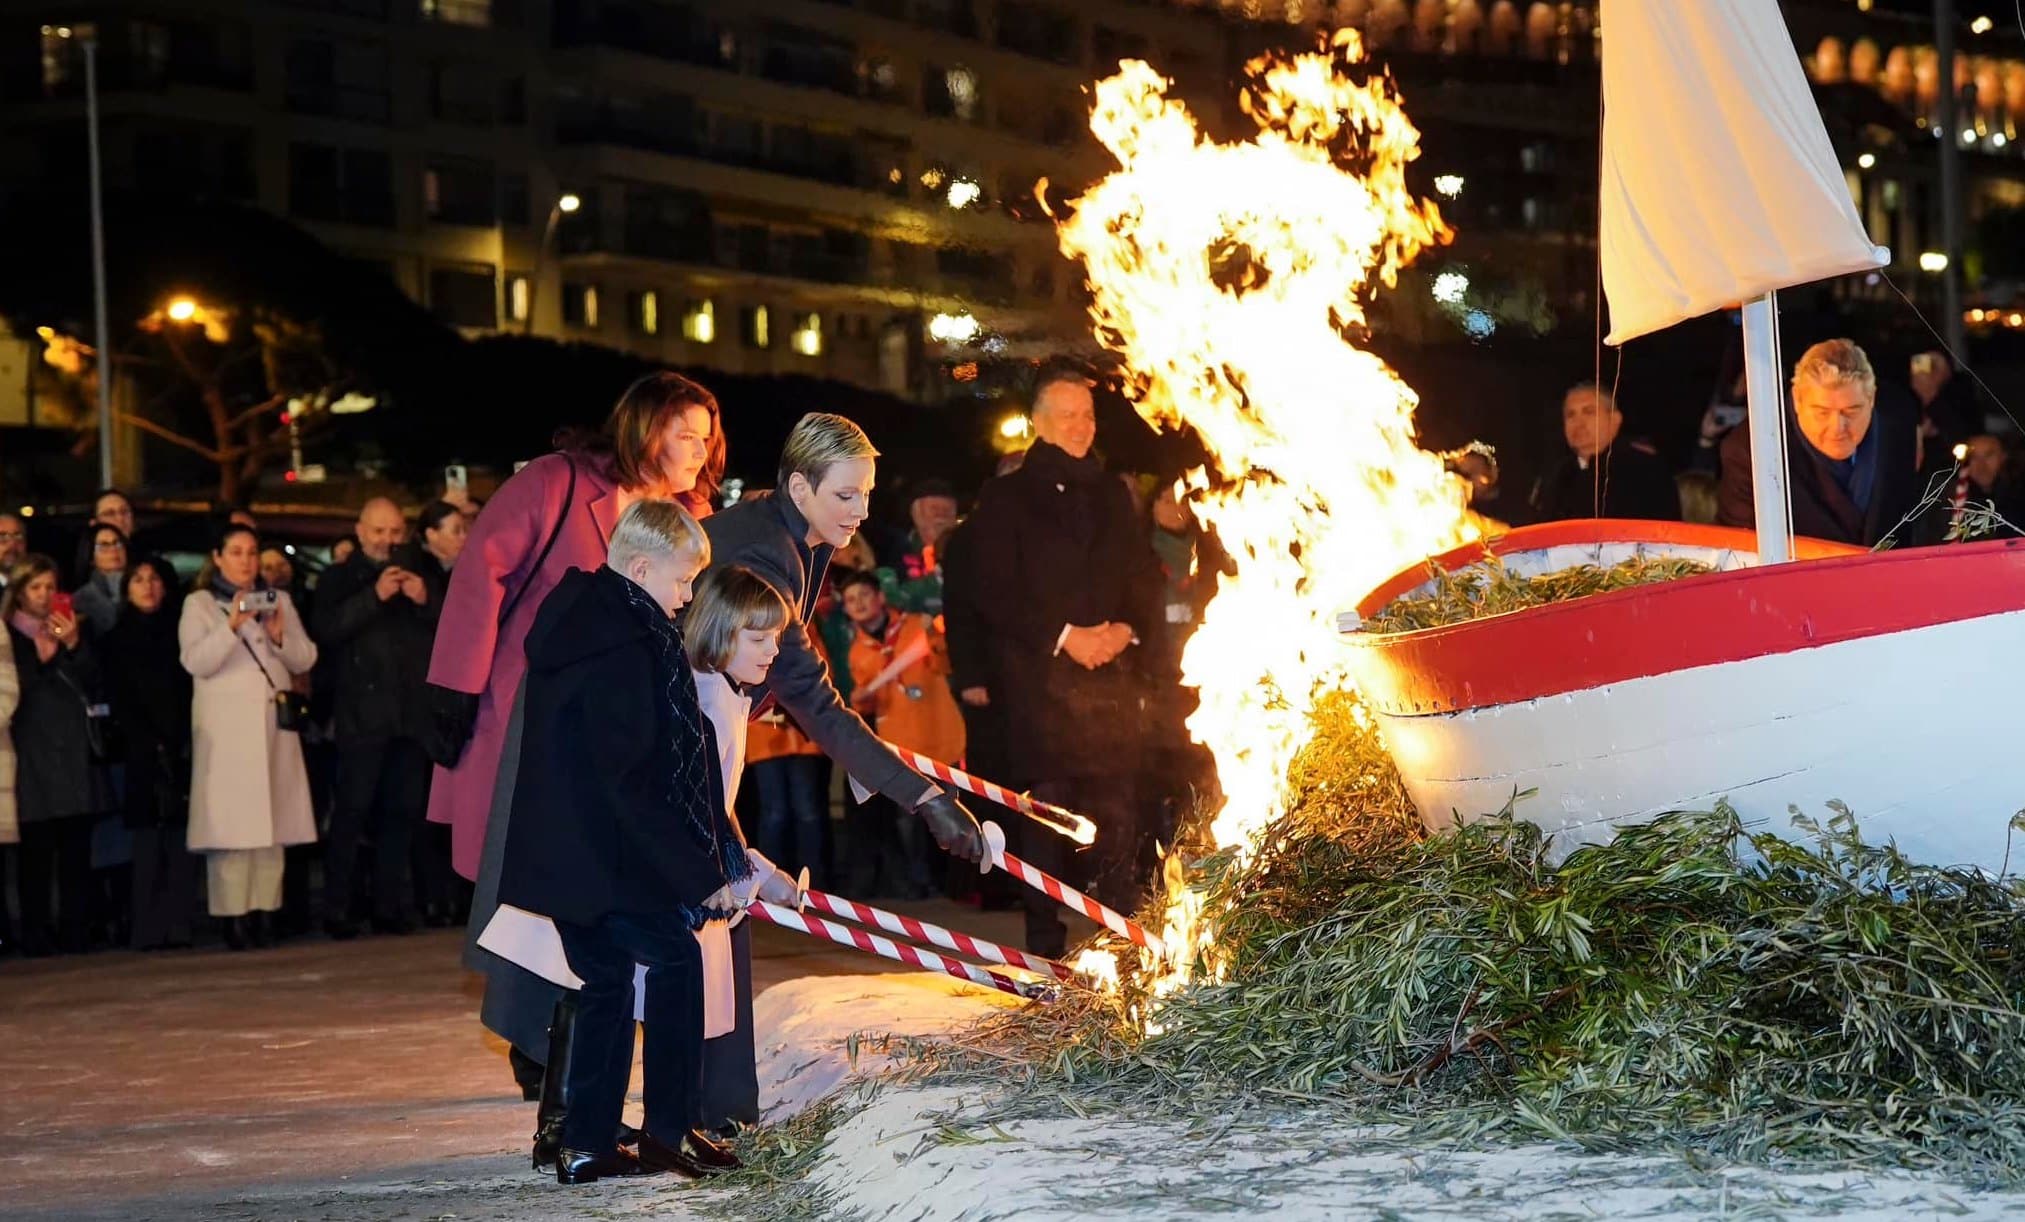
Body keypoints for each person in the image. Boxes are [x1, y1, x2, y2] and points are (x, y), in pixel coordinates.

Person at [424, 370, 724, 1102]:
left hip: (627, 734)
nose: (695, 450)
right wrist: (454, 682)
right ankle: (539, 1038)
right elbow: (483, 570)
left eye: (705, 439)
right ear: (642, 426)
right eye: (682, 433)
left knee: (605, 884)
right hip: (535, 719)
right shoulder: (558, 483)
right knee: (532, 878)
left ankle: (577, 1044)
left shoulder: (685, 516)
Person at [691, 412, 985, 1129]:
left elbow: (807, 683)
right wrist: (922, 795)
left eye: (866, 494)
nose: (859, 512)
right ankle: (708, 1112)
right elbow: (815, 698)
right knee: (703, 919)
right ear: (799, 485)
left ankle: (715, 1109)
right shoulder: (764, 557)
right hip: (686, 731)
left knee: (711, 919)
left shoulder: (793, 530)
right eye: (845, 495)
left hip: (706, 722)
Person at [495, 501, 758, 1184]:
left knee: (608, 982)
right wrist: (700, 872)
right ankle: (667, 1130)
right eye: (680, 582)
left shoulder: (589, 624)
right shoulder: (623, 643)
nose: (686, 597)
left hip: (574, 857)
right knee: (674, 961)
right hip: (602, 857)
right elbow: (632, 776)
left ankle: (587, 1144)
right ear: (640, 568)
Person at [966, 365, 1164, 958]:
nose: (1081, 427)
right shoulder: (1005, 496)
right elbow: (993, 591)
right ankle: (1044, 943)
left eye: (1088, 415)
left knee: (1118, 811)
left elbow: (1141, 573)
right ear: (1039, 423)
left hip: (1111, 680)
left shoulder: (1110, 492)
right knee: (1045, 818)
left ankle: (1123, 938)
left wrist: (1127, 630)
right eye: (1068, 415)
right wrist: (1064, 637)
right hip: (1040, 685)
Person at [181, 523, 318, 951]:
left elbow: (306, 656)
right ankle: (232, 918)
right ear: (218, 558)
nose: (246, 561)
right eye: (236, 552)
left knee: (271, 826)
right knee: (233, 833)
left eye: (252, 552)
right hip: (227, 736)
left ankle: (265, 913)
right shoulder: (200, 603)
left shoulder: (280, 601)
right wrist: (233, 625)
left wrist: (277, 632)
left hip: (272, 729)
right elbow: (195, 661)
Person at [314, 498, 437, 938]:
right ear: (361, 531)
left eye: (394, 532)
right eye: (379, 532)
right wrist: (374, 597)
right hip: (361, 718)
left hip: (408, 717)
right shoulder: (338, 578)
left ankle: (390, 906)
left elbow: (448, 628)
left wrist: (424, 600)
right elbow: (326, 631)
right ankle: (337, 908)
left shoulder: (419, 574)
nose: (387, 541)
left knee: (402, 814)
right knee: (351, 814)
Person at [6, 555, 115, 955]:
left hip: (71, 752)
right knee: (35, 852)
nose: (45, 595)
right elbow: (16, 690)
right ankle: (36, 931)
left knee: (75, 848)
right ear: (19, 594)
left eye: (50, 587)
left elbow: (95, 682)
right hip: (30, 753)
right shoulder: (9, 636)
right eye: (36, 588)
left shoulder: (71, 630)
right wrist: (45, 659)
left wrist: (71, 646)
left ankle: (75, 928)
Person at [1718, 339, 1927, 548]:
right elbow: (1742, 550)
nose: (1837, 427)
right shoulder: (1752, 451)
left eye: (1852, 411)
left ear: (1871, 399)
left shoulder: (1897, 423)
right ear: (1797, 401)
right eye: (1822, 412)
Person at [840, 570, 965, 898]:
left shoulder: (915, 626)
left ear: (880, 597)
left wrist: (935, 639)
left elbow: (946, 663)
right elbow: (867, 702)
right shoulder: (858, 651)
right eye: (851, 600)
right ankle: (920, 881)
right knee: (908, 818)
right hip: (899, 745)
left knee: (951, 808)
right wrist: (862, 698)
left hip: (939, 735)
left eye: (865, 595)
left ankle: (954, 882)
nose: (859, 604)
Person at [102, 556, 196, 951]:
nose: (147, 586)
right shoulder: (114, 640)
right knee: (144, 843)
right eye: (138, 579)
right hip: (139, 751)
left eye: (155, 579)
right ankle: (146, 928)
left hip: (183, 745)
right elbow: (117, 698)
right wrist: (147, 738)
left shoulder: (181, 634)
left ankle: (179, 925)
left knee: (179, 838)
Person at [405, 500, 468, 926]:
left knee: (458, 811)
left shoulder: (466, 574)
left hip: (458, 708)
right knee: (426, 812)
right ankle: (430, 898)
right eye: (454, 529)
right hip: (424, 711)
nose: (463, 537)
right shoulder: (413, 573)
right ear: (429, 535)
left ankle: (458, 899)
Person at [1530, 384, 1679, 522]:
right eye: (1570, 415)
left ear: (1615, 419)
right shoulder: (1556, 477)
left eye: (1589, 412)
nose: (1578, 422)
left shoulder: (1644, 469)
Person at [887, 480, 960, 615]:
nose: (941, 515)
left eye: (947, 510)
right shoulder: (895, 552)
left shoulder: (970, 550)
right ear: (917, 514)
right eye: (934, 509)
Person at [1911, 350, 1981, 474]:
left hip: (1951, 470)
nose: (1927, 373)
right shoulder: (1904, 398)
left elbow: (1963, 436)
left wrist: (1930, 396)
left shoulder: (1961, 393)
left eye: (1935, 367)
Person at [71, 522, 128, 635]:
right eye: (104, 546)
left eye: (117, 543)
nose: (113, 550)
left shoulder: (144, 585)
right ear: (91, 556)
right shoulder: (80, 599)